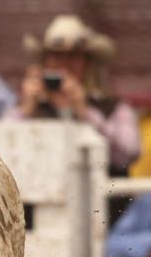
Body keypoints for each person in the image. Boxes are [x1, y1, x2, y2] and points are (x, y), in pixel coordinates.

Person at [12, 14, 139, 175]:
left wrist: (85, 113)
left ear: (87, 63)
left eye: (73, 56)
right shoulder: (29, 107)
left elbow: (128, 154)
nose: (65, 63)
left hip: (104, 199)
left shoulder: (114, 107)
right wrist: (26, 109)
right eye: (57, 56)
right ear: (44, 62)